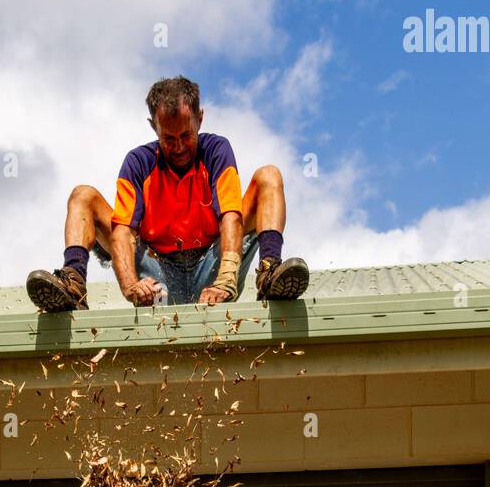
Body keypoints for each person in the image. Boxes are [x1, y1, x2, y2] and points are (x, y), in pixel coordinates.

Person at [26, 75, 310, 312]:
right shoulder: (138, 162)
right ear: (154, 127)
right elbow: (122, 231)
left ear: (199, 119)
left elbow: (231, 216)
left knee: (268, 176)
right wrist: (130, 286)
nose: (178, 147)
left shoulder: (217, 151)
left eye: (186, 135)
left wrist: (225, 279)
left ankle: (270, 272)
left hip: (212, 263)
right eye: (168, 138)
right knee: (83, 195)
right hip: (156, 270)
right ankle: (73, 286)